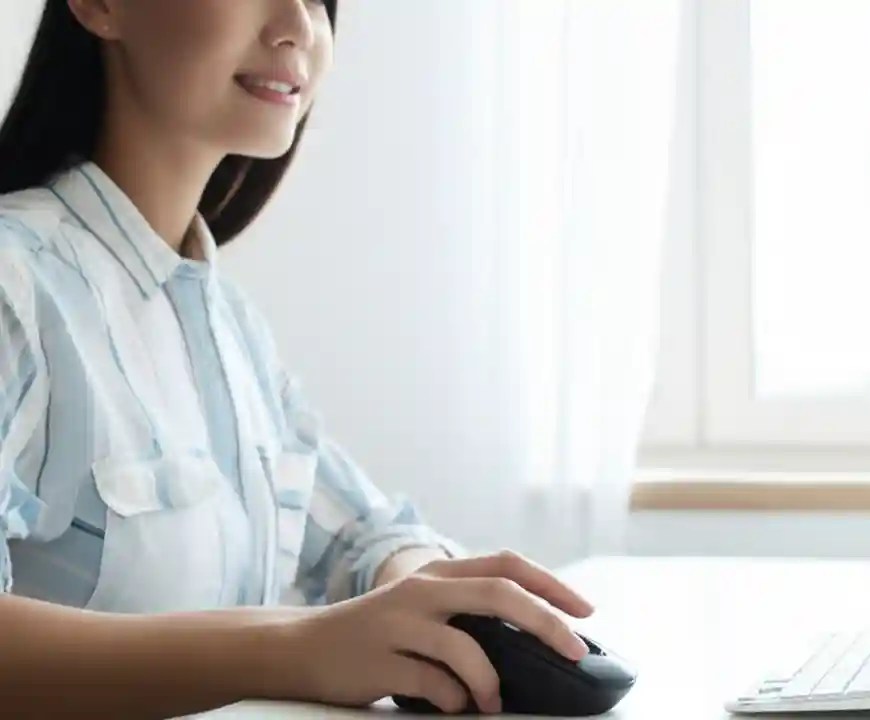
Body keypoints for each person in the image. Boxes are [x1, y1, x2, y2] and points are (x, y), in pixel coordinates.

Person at [0, 1, 594, 716]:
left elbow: (362, 533)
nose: (298, 26)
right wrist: (295, 648)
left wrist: (437, 606)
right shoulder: (17, 284)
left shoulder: (229, 327)